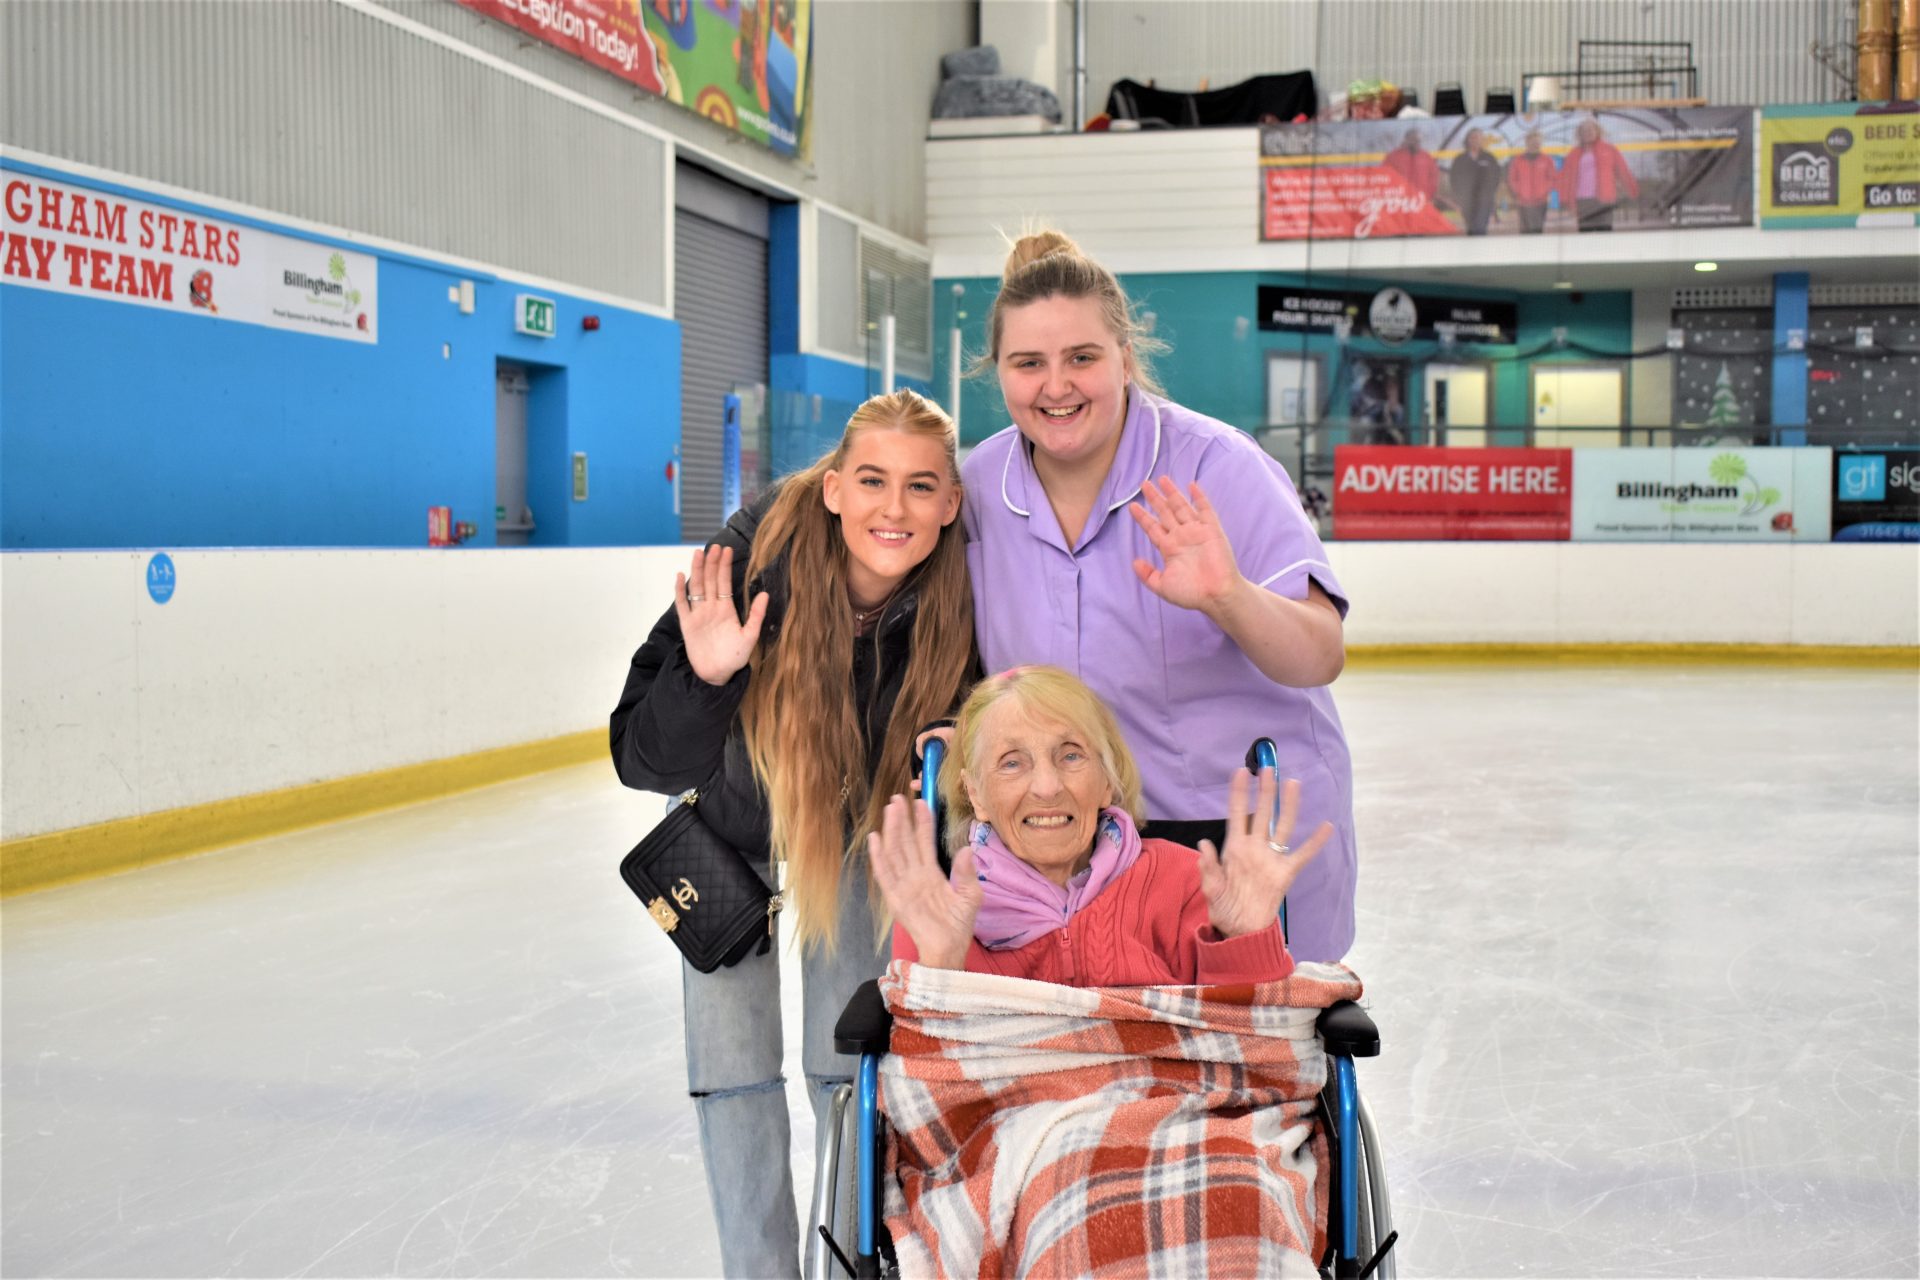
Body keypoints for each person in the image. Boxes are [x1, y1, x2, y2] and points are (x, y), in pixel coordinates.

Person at [608, 389, 974, 1279]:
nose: (896, 508)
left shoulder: (965, 591)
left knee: (847, 1072)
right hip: (730, 833)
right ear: (836, 488)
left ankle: (846, 1262)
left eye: (921, 487)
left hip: (859, 843)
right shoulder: (748, 559)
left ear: (950, 503)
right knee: (733, 1080)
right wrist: (707, 675)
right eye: (875, 481)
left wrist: (965, 741)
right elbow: (641, 758)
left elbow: (988, 729)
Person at [960, 229, 1358, 963]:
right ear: (1000, 373)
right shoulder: (980, 488)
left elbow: (1320, 652)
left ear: (1126, 358)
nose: (1057, 386)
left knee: (1266, 1063)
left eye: (1083, 358)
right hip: (1084, 859)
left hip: (1235, 846)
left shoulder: (1218, 466)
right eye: (1028, 364)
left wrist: (1229, 596)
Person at [872, 666, 1329, 983]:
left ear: (1108, 780)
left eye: (1071, 755)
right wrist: (940, 969)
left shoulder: (1189, 883)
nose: (1047, 787)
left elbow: (1255, 1061)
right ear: (976, 796)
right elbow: (930, 1104)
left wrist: (1245, 940)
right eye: (1012, 763)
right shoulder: (940, 909)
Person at [1558, 117, 1639, 232]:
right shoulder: (1573, 154)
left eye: (1591, 130)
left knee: (1605, 232)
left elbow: (1623, 171)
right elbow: (1565, 178)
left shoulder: (1610, 150)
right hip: (1582, 200)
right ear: (1579, 134)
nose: (1588, 133)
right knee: (1585, 234)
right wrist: (1565, 200)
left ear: (1597, 132)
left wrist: (1632, 191)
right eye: (1584, 131)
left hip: (1604, 200)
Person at [1448, 127, 1503, 235]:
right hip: (1467, 200)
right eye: (1473, 137)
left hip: (1484, 200)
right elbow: (1454, 179)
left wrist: (1490, 194)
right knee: (1471, 227)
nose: (1475, 140)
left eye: (1478, 137)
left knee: (1480, 227)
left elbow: (1496, 177)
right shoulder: (1460, 159)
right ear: (1468, 140)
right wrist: (1458, 196)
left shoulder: (1489, 158)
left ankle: (1478, 249)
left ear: (1482, 140)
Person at [1506, 128, 1558, 233]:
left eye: (1538, 142)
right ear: (1527, 142)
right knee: (1524, 230)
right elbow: (1512, 179)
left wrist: (1543, 192)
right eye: (1533, 142)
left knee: (1538, 230)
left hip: (1541, 201)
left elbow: (1552, 179)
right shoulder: (1517, 160)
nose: (1535, 144)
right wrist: (1519, 192)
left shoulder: (1547, 160)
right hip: (1523, 202)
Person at [1382, 126, 1440, 203]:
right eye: (1413, 139)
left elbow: (1434, 177)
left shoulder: (1426, 157)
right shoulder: (1394, 157)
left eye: (1418, 140)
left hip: (1422, 199)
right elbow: (1385, 177)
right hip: (1400, 200)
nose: (1416, 142)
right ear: (1406, 139)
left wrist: (1429, 194)